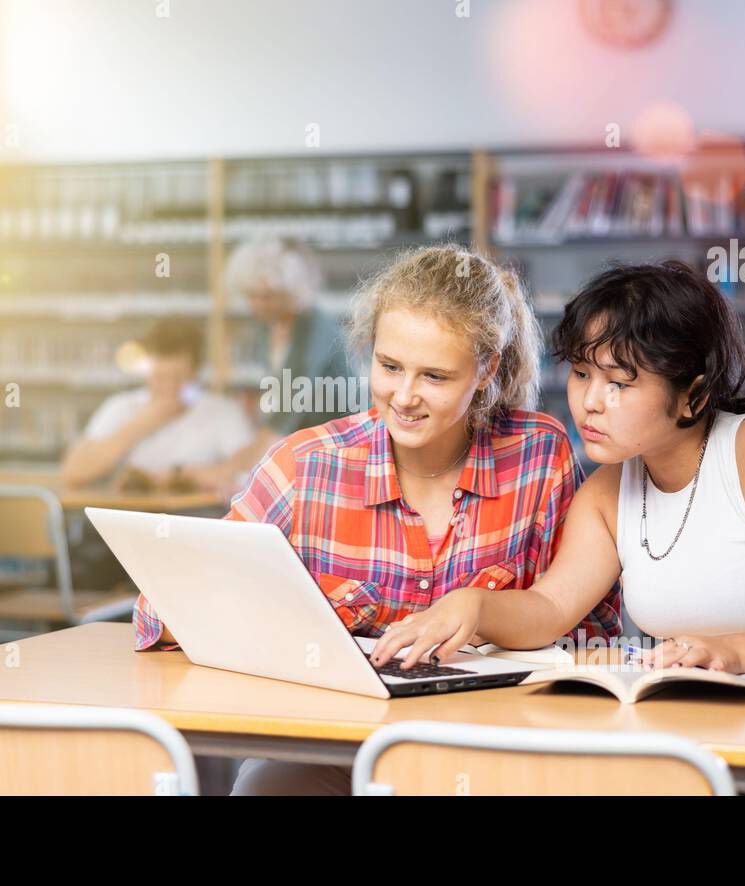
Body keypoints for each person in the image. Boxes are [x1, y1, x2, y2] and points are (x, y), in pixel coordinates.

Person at [135, 244, 622, 795]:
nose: (405, 397)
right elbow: (161, 605)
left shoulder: (539, 455)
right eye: (389, 367)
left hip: (493, 742)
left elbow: (593, 629)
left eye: (435, 377)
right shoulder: (306, 465)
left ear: (485, 369)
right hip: (337, 747)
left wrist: (491, 623)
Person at [373, 261, 745, 679]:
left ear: (692, 393)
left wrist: (736, 653)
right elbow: (550, 607)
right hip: (706, 730)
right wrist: (473, 605)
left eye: (620, 383)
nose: (589, 403)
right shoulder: (608, 491)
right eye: (582, 373)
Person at [190, 237, 354, 494]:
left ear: (292, 291)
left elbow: (284, 417)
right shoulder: (270, 327)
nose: (257, 305)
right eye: (251, 295)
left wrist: (224, 471)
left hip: (339, 455)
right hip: (303, 449)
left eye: (267, 296)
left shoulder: (313, 328)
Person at [60, 316, 253, 490]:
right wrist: (144, 423)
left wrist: (184, 475)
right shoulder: (121, 407)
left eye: (178, 377)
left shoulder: (222, 412)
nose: (168, 387)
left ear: (196, 372)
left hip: (194, 521)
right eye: (159, 377)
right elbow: (73, 472)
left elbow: (250, 468)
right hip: (129, 521)